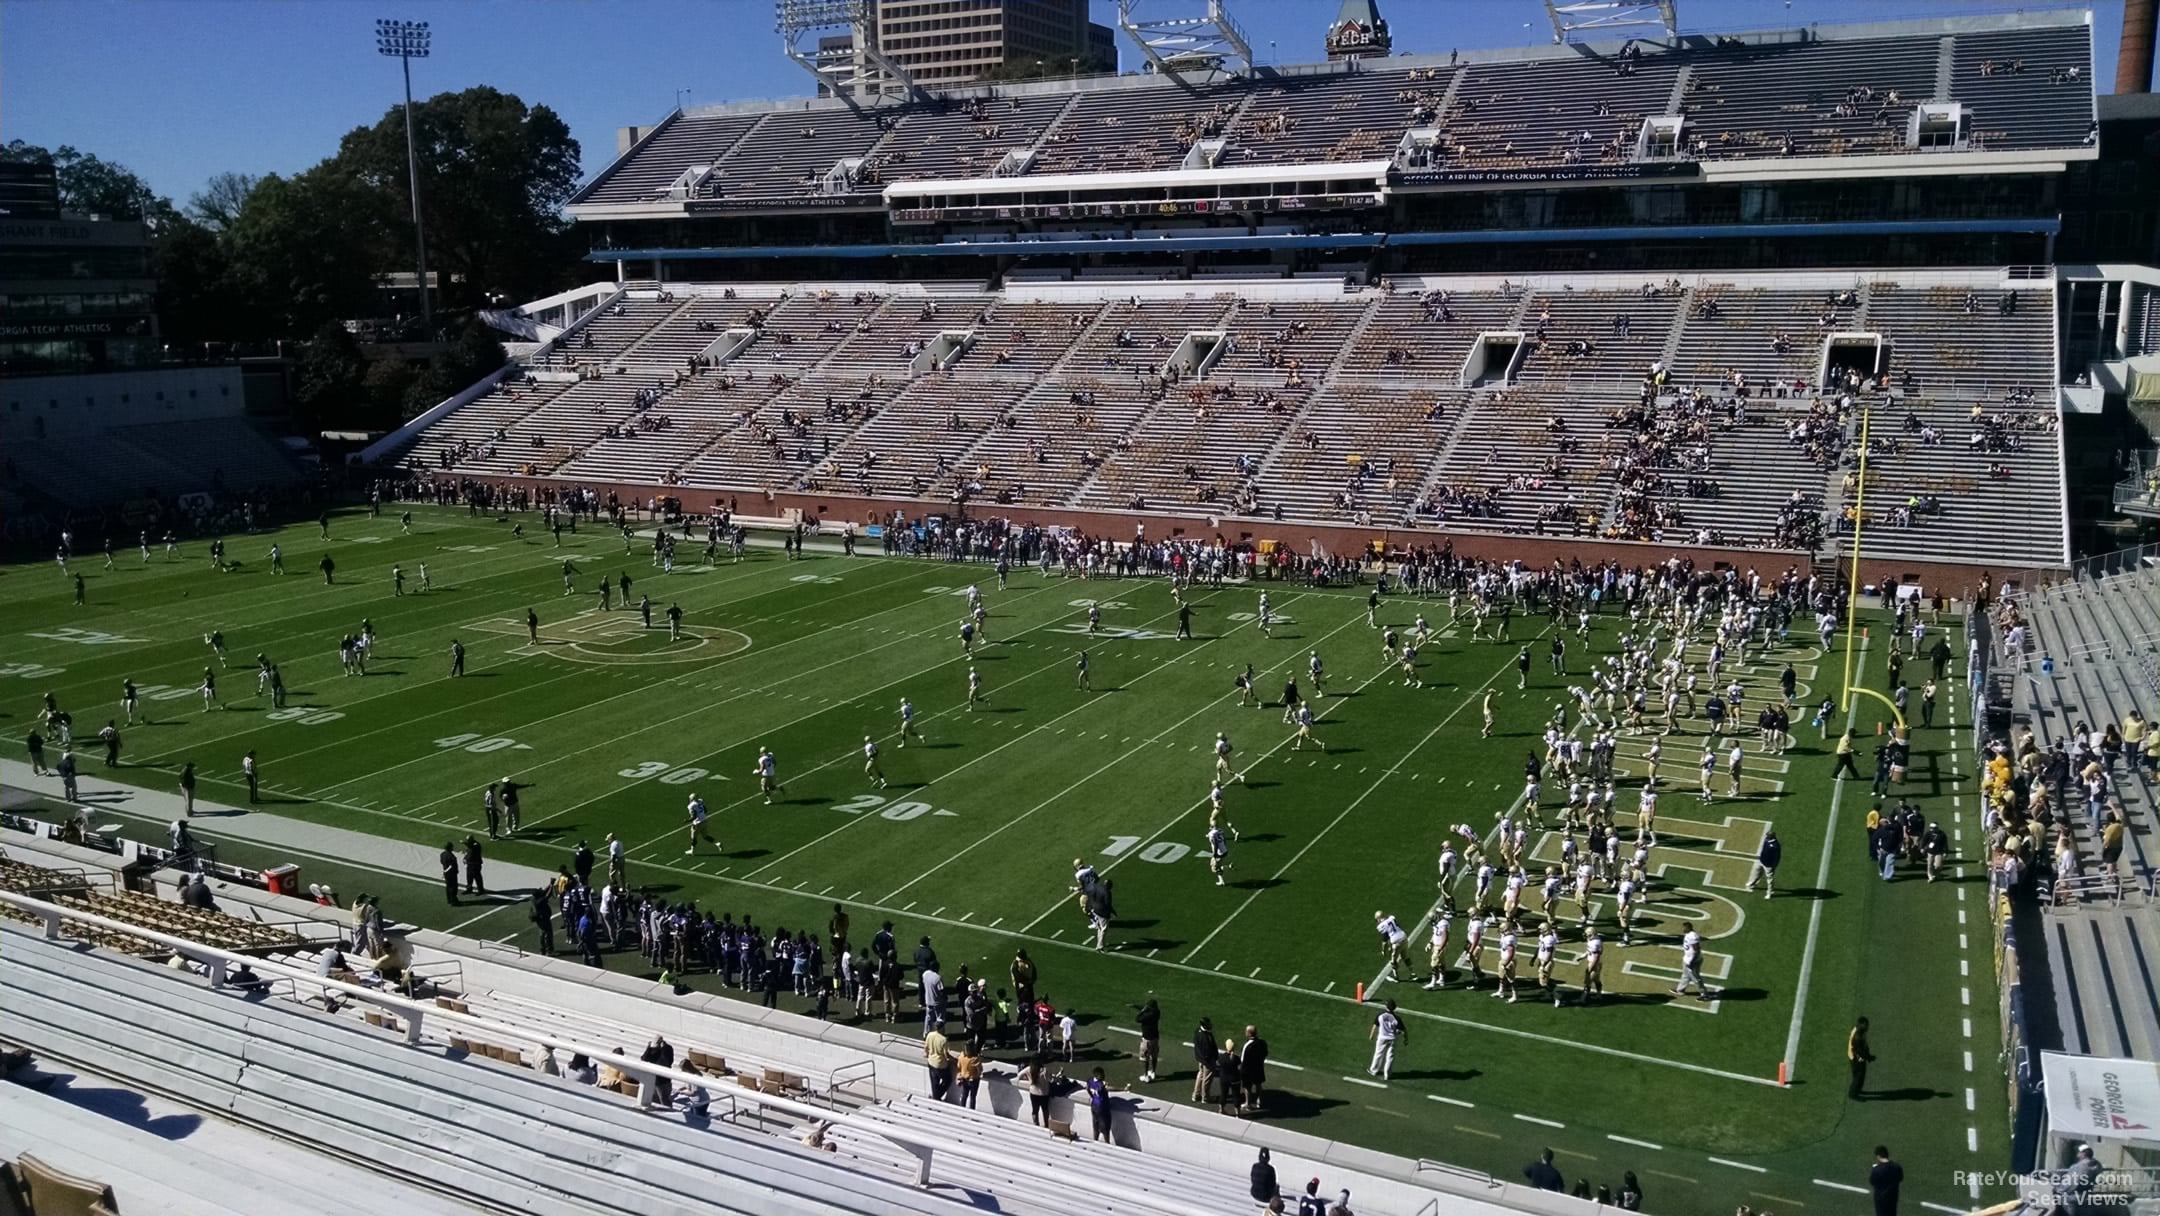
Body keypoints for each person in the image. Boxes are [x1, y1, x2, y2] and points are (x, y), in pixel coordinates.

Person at [1367, 998, 1403, 1081]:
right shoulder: (1397, 1018)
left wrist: (1371, 1035)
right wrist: (1405, 1038)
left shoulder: (1381, 1015)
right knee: (1390, 1057)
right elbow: (1402, 1030)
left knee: (1378, 1054)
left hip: (1382, 1038)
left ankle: (1374, 1070)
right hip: (1392, 1039)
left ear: (1386, 1006)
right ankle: (1387, 1074)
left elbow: (1375, 1025)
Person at [1238, 1024, 1268, 1114]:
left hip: (1248, 1070)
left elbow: (1243, 1060)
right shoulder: (1262, 1042)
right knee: (1258, 1084)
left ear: (1249, 1033)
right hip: (1258, 1068)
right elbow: (1265, 1053)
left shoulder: (1247, 1046)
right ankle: (1259, 1101)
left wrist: (1241, 1069)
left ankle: (1248, 1103)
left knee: (1247, 1087)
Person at [1868, 1145, 1903, 1216]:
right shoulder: (1897, 1166)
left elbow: (1872, 1182)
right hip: (1893, 1197)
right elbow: (1900, 1178)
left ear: (1878, 1156)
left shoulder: (1876, 1170)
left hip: (1881, 1200)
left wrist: (1874, 1169)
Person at [1134, 997, 1161, 1082]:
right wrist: (1137, 1007)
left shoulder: (1147, 1016)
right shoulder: (1157, 1012)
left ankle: (1145, 1075)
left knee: (1145, 1058)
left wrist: (1141, 1011)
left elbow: (1137, 1019)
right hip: (1155, 1038)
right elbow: (1146, 1009)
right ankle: (1153, 1072)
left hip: (1147, 1039)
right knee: (1154, 1056)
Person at [1191, 1017, 1217, 1104]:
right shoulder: (1206, 1037)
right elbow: (1208, 1051)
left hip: (1200, 1059)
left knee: (1200, 1075)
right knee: (1207, 1079)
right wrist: (1213, 1059)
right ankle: (1205, 1097)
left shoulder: (1198, 1031)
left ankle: (1196, 1094)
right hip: (1208, 1061)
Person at [1849, 1016, 1875, 1099]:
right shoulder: (1858, 1037)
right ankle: (1853, 1094)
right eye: (1866, 1025)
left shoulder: (1858, 1031)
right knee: (1859, 1076)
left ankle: (1857, 1090)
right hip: (1856, 1059)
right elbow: (1860, 1052)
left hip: (1854, 1056)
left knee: (1858, 1075)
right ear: (1861, 1025)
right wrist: (1869, 1058)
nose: (1867, 1027)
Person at [1086, 1067, 1112, 1142]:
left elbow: (1087, 1088)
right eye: (1102, 1074)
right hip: (1102, 1107)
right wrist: (1124, 1089)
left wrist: (1092, 1096)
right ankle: (1107, 1143)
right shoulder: (1101, 1084)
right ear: (1098, 1075)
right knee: (1105, 1128)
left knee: (1095, 1126)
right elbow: (1109, 1088)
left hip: (1094, 1105)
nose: (1104, 1075)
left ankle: (1095, 1141)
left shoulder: (1090, 1080)